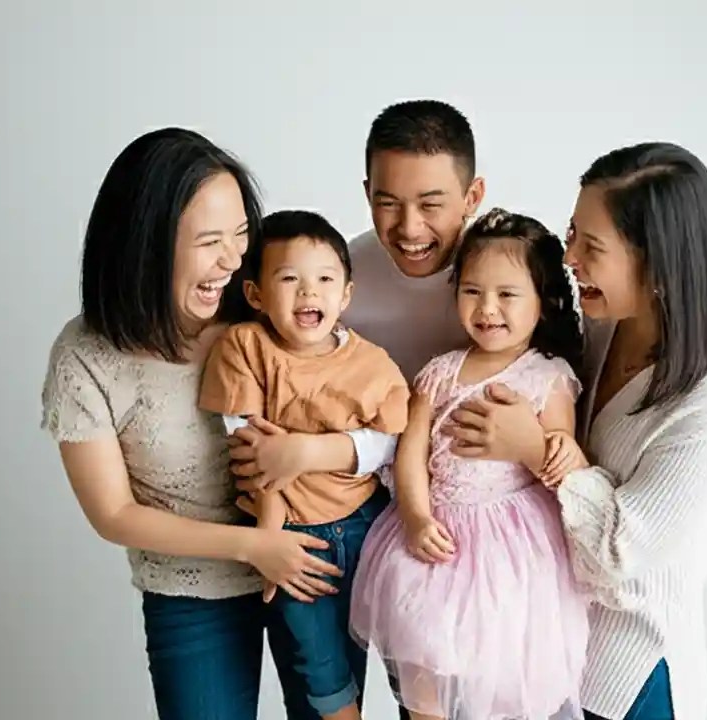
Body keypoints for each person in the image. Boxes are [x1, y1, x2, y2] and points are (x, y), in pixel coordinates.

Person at [442, 142, 707, 720]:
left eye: (591, 247)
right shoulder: (602, 328)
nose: (569, 258)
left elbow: (620, 552)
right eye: (571, 234)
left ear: (658, 264)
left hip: (626, 679)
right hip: (546, 651)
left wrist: (536, 449)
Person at [39, 127, 339, 720]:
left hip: (310, 556)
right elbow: (113, 514)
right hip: (191, 592)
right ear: (145, 244)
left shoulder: (267, 306)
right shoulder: (86, 355)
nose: (231, 260)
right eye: (208, 242)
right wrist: (254, 546)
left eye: (240, 236)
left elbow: (364, 401)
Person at [226, 99, 486, 720]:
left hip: (465, 534)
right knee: (324, 688)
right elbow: (262, 410)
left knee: (443, 705)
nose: (409, 226)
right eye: (388, 202)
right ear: (366, 190)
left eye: (432, 203)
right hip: (339, 514)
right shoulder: (333, 278)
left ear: (473, 194)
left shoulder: (500, 273)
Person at [350, 209, 590, 720]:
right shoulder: (440, 372)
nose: (487, 308)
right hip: (438, 535)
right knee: (427, 671)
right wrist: (415, 516)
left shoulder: (548, 377)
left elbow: (560, 449)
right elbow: (410, 451)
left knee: (502, 676)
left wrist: (567, 450)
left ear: (542, 302)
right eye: (472, 291)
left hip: (513, 549)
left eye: (507, 295)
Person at [198, 209, 410, 720]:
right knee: (320, 664)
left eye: (324, 280)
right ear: (255, 295)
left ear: (346, 294)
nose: (308, 293)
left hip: (369, 524)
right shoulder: (245, 347)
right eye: (289, 279)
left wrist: (312, 450)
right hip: (295, 535)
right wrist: (269, 531)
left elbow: (393, 438)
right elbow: (249, 448)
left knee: (408, 647)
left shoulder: (372, 362)